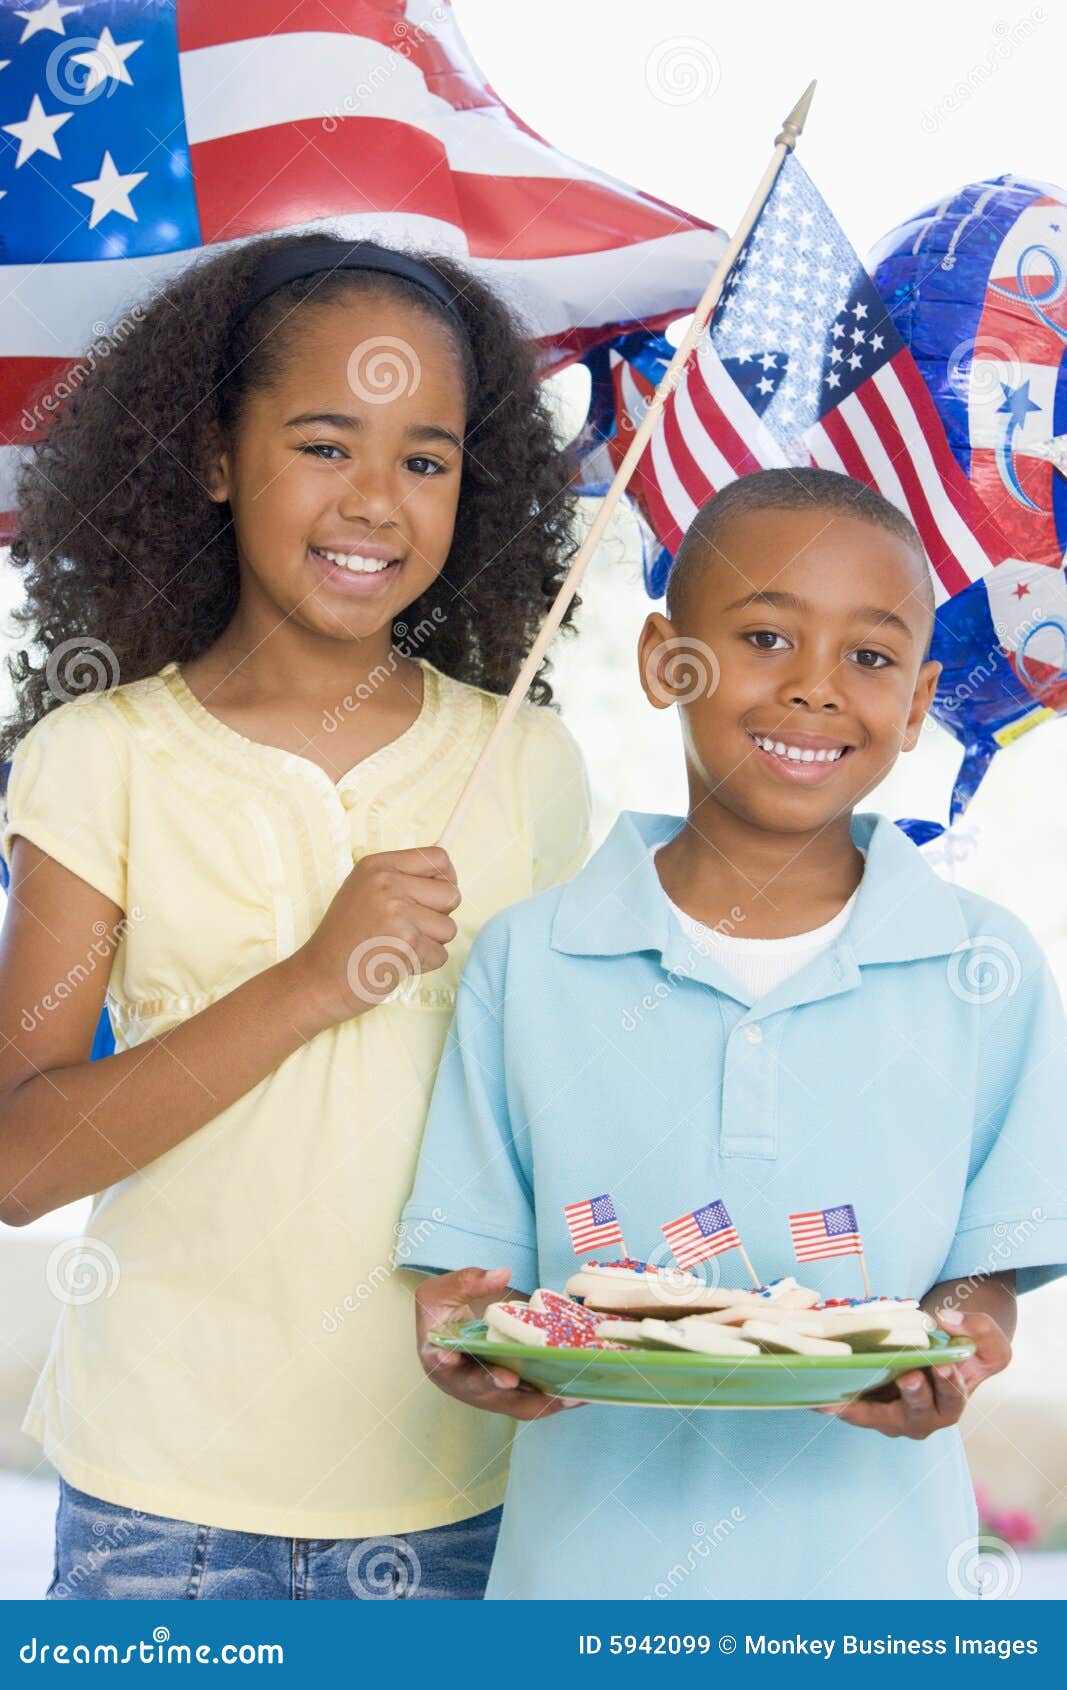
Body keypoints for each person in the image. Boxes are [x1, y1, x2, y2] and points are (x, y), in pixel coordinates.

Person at [0, 234, 591, 1600]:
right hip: (169, 1505)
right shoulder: (104, 756)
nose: (375, 500)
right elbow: (23, 1160)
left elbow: (564, 1112)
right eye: (325, 443)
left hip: (461, 1484)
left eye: (425, 459)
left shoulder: (529, 764)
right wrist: (313, 975)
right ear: (214, 456)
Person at [404, 468, 1067, 1600]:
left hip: (881, 1589)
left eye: (867, 657)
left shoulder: (980, 966)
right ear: (667, 660)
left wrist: (958, 1345)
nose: (813, 690)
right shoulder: (531, 958)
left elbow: (978, 1281)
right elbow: (475, 1277)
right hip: (580, 1586)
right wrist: (459, 1337)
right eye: (764, 635)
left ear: (916, 704)